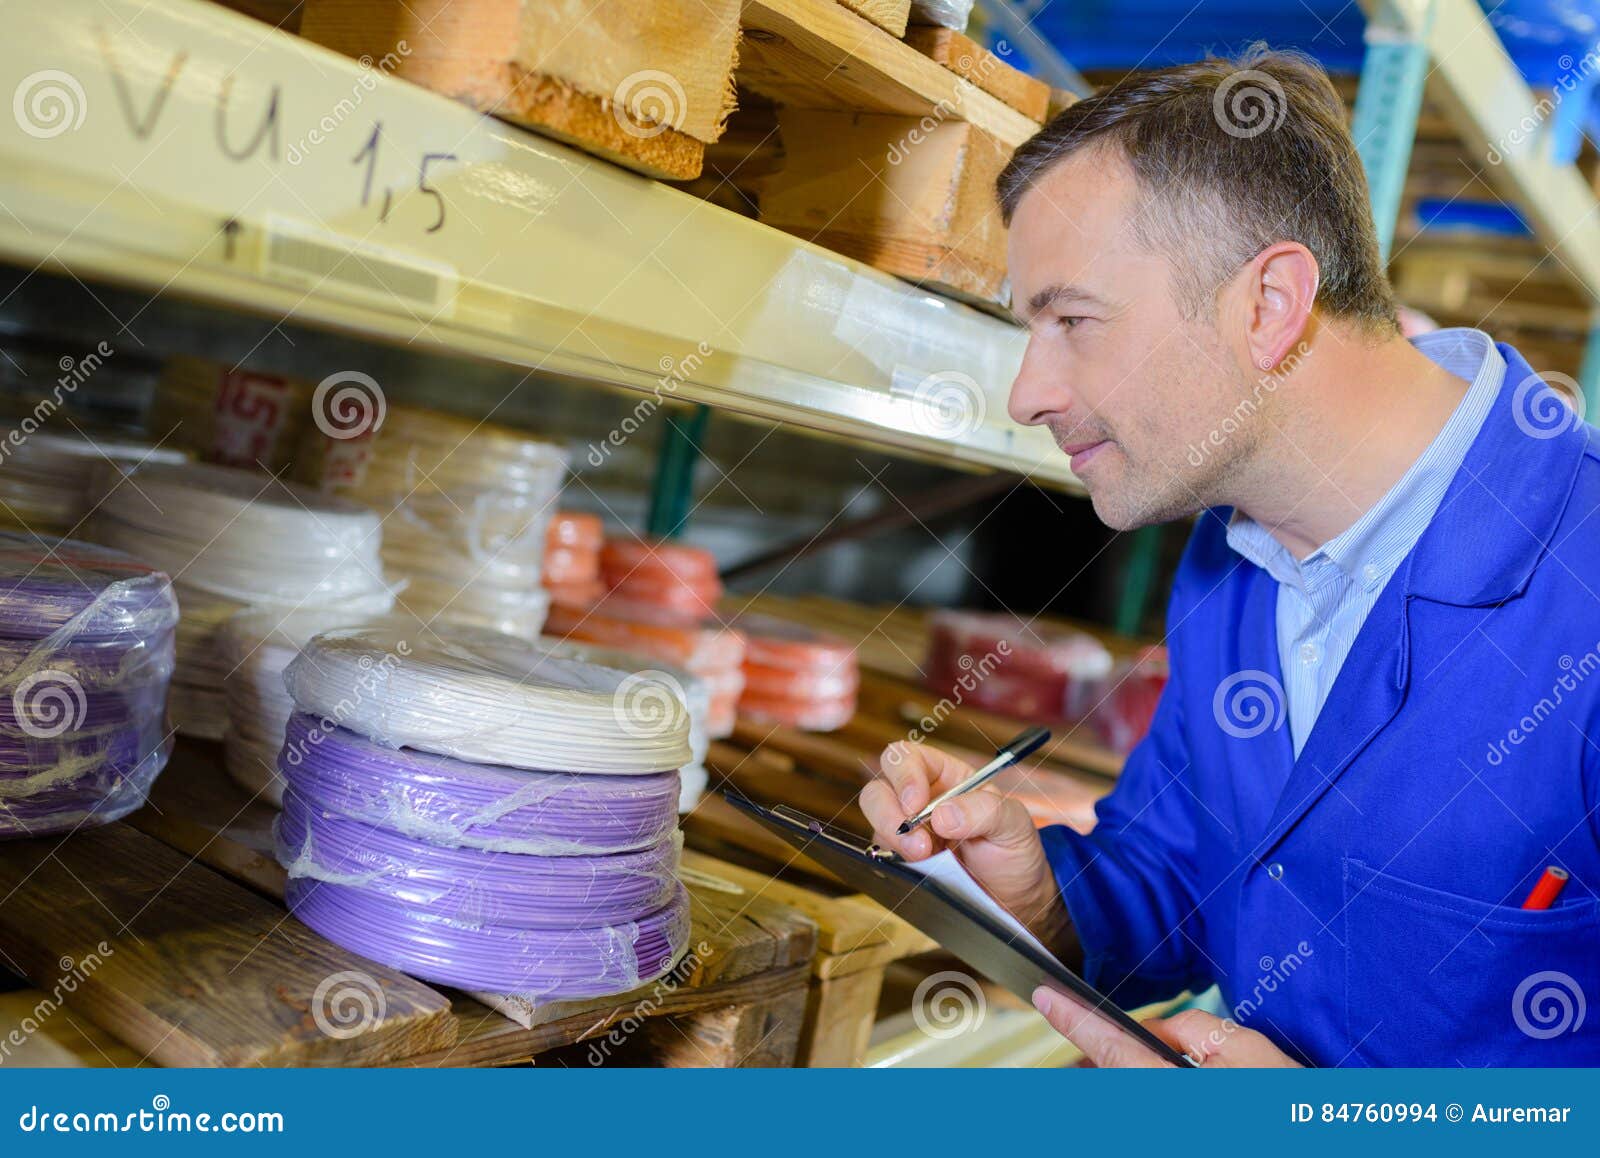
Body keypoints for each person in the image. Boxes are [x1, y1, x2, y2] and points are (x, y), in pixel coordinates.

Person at [862, 47, 1600, 1067]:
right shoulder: (1229, 558)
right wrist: (1037, 886)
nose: (1025, 394)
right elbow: (1185, 881)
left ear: (1266, 306)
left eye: (1072, 320)